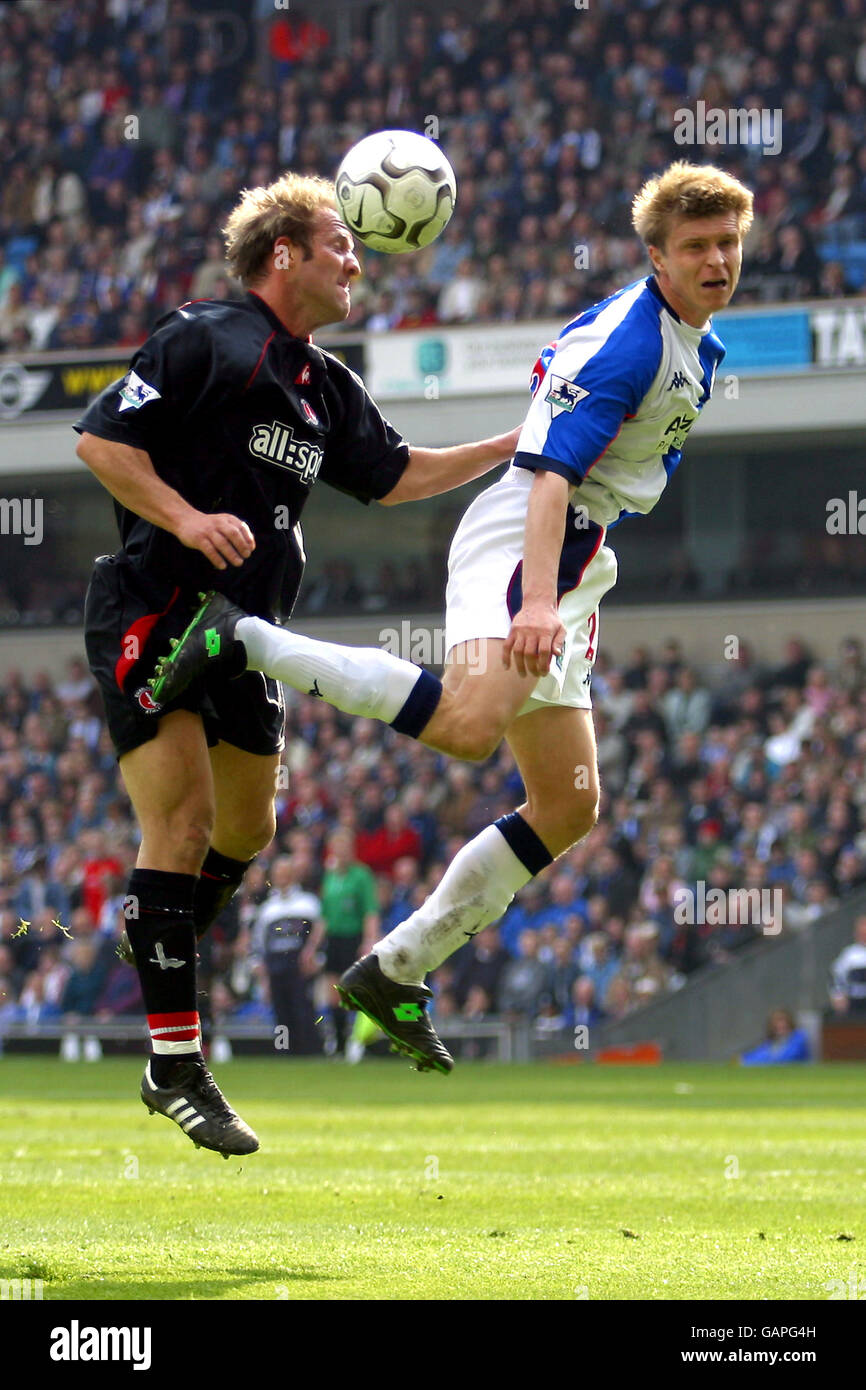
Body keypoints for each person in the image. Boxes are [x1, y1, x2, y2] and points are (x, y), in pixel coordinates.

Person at [149, 161, 753, 1075]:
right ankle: (238, 636)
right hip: (530, 538)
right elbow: (550, 474)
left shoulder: (699, 346)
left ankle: (395, 972)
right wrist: (541, 599)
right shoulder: (632, 342)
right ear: (658, 259)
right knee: (471, 728)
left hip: (581, 552)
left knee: (570, 802)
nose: (717, 259)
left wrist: (565, 590)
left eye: (727, 243)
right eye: (697, 247)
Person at [72, 170, 521, 1155]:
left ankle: (159, 930)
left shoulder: (326, 383)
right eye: (339, 245)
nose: (356, 259)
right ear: (284, 255)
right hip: (159, 605)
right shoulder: (203, 337)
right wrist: (188, 517)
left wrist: (518, 443)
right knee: (180, 825)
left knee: (247, 829)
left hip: (251, 631)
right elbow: (101, 442)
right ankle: (174, 1062)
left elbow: (396, 474)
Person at [250, 854, 321, 1055]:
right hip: (275, 965)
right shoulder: (267, 909)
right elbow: (258, 942)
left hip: (301, 965)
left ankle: (310, 1051)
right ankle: (284, 1052)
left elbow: (319, 936)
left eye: (286, 873)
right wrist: (258, 966)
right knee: (280, 1011)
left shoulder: (309, 903)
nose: (282, 878)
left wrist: (318, 959)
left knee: (303, 1009)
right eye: (279, 874)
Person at [829, 915, 866, 1016]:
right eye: (862, 933)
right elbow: (836, 977)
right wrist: (838, 996)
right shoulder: (849, 954)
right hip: (855, 1002)